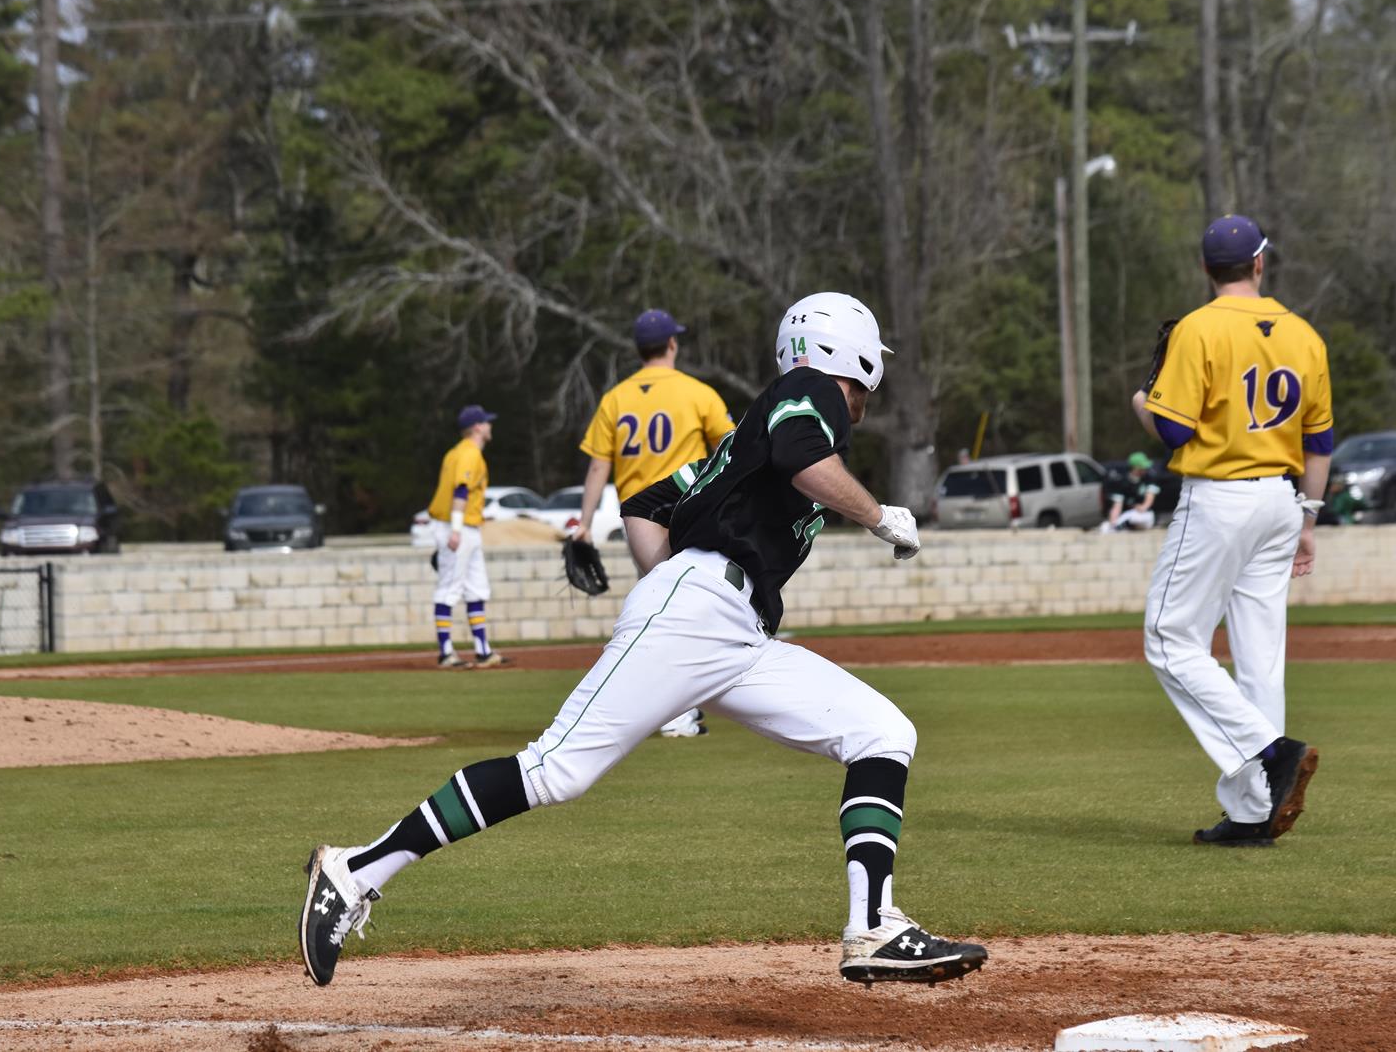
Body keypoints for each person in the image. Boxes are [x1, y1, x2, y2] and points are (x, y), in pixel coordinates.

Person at [300, 291, 987, 988]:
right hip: (700, 609)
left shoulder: (744, 438)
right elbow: (803, 456)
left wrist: (668, 586)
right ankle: (353, 870)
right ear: (854, 353)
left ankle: (872, 925)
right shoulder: (812, 391)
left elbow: (648, 501)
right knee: (553, 770)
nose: (872, 387)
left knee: (881, 732)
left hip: (734, 631)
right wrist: (877, 516)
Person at [1132, 214, 1332, 847]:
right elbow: (1320, 440)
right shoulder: (1303, 334)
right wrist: (1309, 516)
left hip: (1220, 496)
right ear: (1260, 263)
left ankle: (1268, 753)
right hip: (1281, 496)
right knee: (1260, 656)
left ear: (1205, 270)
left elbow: (1172, 430)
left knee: (1169, 637)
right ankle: (1254, 812)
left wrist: (1141, 401)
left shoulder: (1199, 327)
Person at [574, 307, 734, 738]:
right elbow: (731, 451)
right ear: (672, 344)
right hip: (688, 509)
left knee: (664, 608)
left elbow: (596, 468)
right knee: (687, 612)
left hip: (638, 520)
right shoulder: (697, 392)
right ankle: (677, 713)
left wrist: (585, 523)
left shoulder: (616, 398)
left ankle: (671, 707)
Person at [427, 405, 505, 670]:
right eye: (487, 423)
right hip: (455, 526)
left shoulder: (456, 452)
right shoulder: (469, 453)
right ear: (477, 427)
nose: (490, 426)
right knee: (449, 589)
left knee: (476, 588)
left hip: (466, 527)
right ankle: (446, 653)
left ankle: (483, 651)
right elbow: (461, 490)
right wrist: (457, 530)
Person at [1099, 452, 1159, 532]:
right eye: (1143, 467)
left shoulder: (1149, 478)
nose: (1145, 469)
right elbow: (1117, 506)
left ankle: (1117, 527)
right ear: (1136, 467)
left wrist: (1143, 507)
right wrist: (1113, 520)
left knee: (1135, 517)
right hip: (1128, 515)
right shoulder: (1122, 482)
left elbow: (1149, 498)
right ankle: (1115, 526)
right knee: (1124, 518)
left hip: (1146, 514)